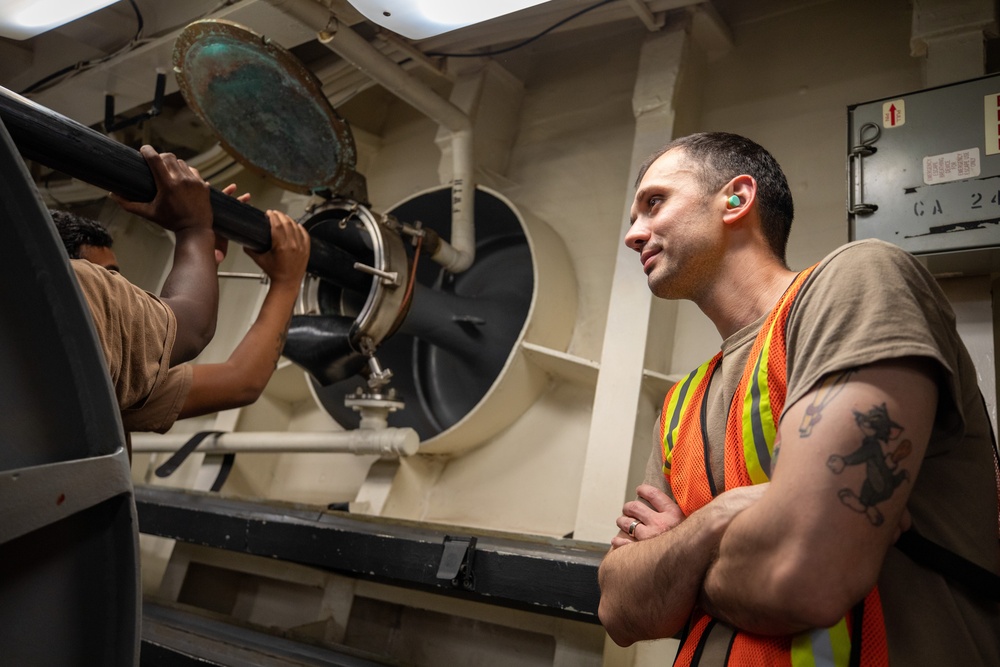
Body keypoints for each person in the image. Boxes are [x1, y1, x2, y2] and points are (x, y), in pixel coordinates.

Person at [597, 132, 1000, 664]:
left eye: (654, 203)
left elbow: (805, 575)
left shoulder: (857, 279)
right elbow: (620, 610)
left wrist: (680, 570)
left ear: (736, 199)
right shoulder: (680, 405)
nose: (633, 234)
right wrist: (719, 518)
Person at [59, 144, 310, 447]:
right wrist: (193, 227)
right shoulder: (73, 288)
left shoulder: (103, 374)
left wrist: (208, 257)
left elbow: (239, 382)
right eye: (109, 277)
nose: (118, 287)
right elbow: (192, 327)